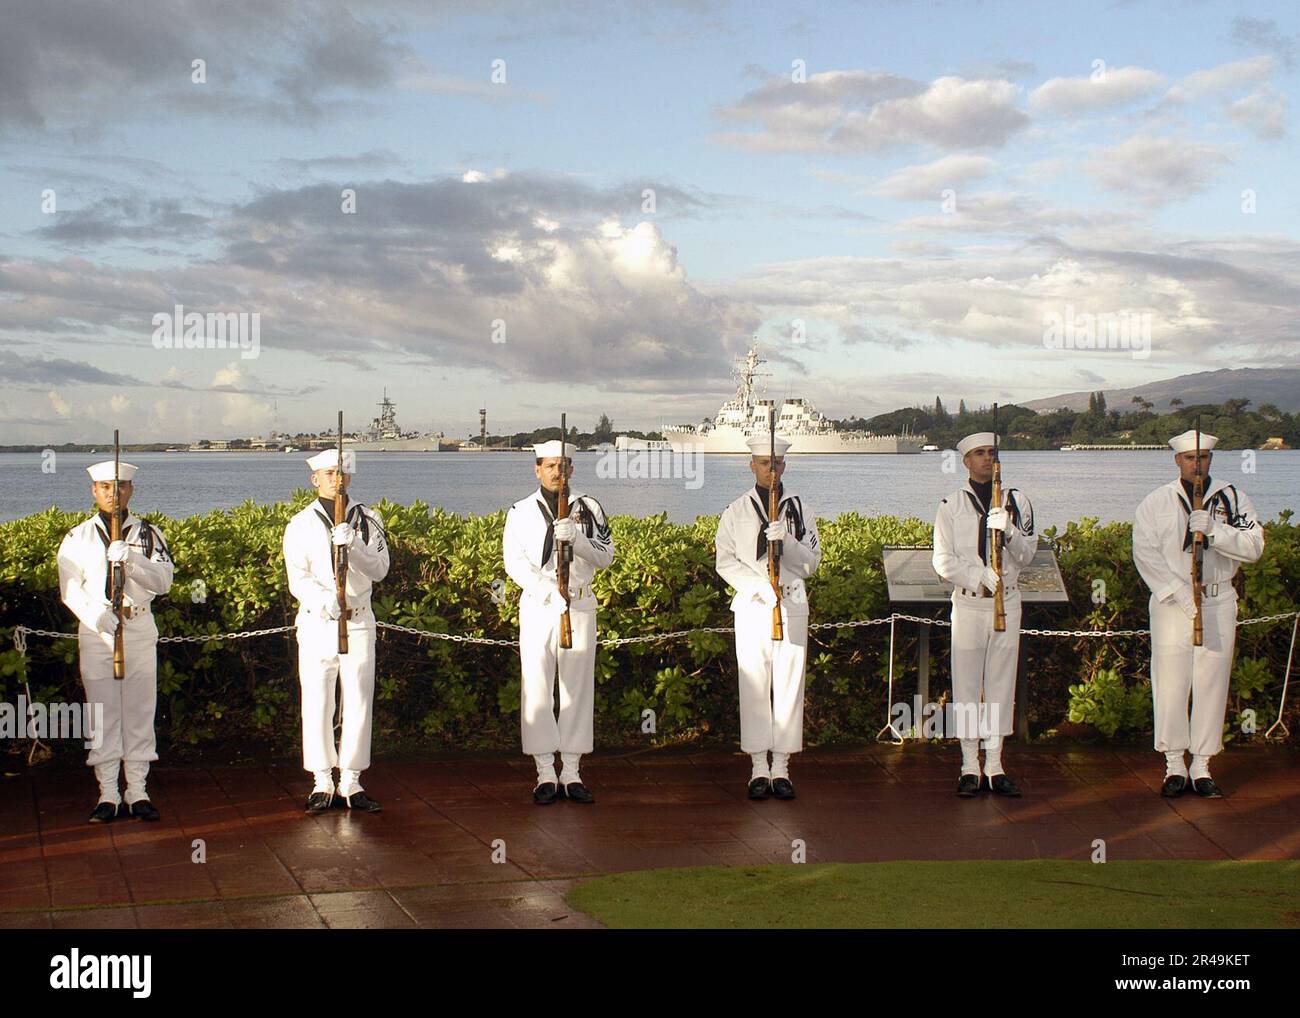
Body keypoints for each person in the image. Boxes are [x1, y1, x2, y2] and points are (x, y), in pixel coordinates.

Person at [1133, 429, 1264, 798]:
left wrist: (1218, 531)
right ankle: (1174, 764)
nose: (1197, 464)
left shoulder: (1232, 498)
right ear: (1177, 460)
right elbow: (1145, 555)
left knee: (1211, 682)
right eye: (1190, 458)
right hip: (1172, 603)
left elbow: (1254, 547)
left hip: (1218, 599)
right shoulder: (1155, 502)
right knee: (1171, 682)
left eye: (1203, 458)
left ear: (1211, 459)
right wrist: (1178, 594)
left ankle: (1202, 766)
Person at [57, 460, 174, 822]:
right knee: (103, 712)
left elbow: (164, 582)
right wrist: (95, 615)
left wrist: (134, 562)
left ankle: (137, 790)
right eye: (105, 486)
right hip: (98, 633)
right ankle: (108, 792)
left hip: (137, 627)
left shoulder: (149, 535)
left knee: (139, 711)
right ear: (94, 491)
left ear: (131, 490)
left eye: (120, 486)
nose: (113, 493)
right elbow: (69, 587)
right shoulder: (77, 538)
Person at [503, 438, 615, 805]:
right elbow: (514, 563)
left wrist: (578, 539)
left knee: (577, 689)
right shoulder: (519, 511)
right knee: (537, 687)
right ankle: (544, 773)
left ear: (572, 469)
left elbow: (606, 556)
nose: (557, 472)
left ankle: (571, 770)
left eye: (564, 466)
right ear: (537, 469)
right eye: (550, 466)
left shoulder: (589, 507)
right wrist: (546, 590)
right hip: (539, 606)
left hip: (580, 605)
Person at [714, 433, 822, 801]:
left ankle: (782, 767)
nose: (771, 469)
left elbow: (811, 563)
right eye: (764, 463)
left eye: (776, 463)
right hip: (754, 607)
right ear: (752, 466)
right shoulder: (735, 511)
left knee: (789, 685)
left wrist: (788, 542)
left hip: (791, 604)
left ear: (784, 466)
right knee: (755, 684)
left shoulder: (800, 509)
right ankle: (759, 766)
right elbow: (724, 560)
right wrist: (757, 587)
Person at [283, 448, 389, 814]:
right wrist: (325, 600)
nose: (336, 479)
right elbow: (298, 577)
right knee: (317, 700)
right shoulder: (300, 523)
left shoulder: (369, 520)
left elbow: (380, 569)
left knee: (358, 699)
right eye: (329, 473)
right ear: (315, 479)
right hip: (318, 622)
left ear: (351, 477)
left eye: (342, 473)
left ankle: (352, 780)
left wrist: (354, 546)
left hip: (358, 620)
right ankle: (322, 780)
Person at [932, 431, 1037, 797]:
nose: (987, 459)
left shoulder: (1017, 501)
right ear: (966, 461)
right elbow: (942, 561)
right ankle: (968, 765)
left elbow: (1027, 555)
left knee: (1000, 684)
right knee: (966, 685)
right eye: (979, 453)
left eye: (992, 452)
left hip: (1006, 601)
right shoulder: (951, 504)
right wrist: (978, 575)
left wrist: (1008, 531)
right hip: (970, 601)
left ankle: (994, 764)